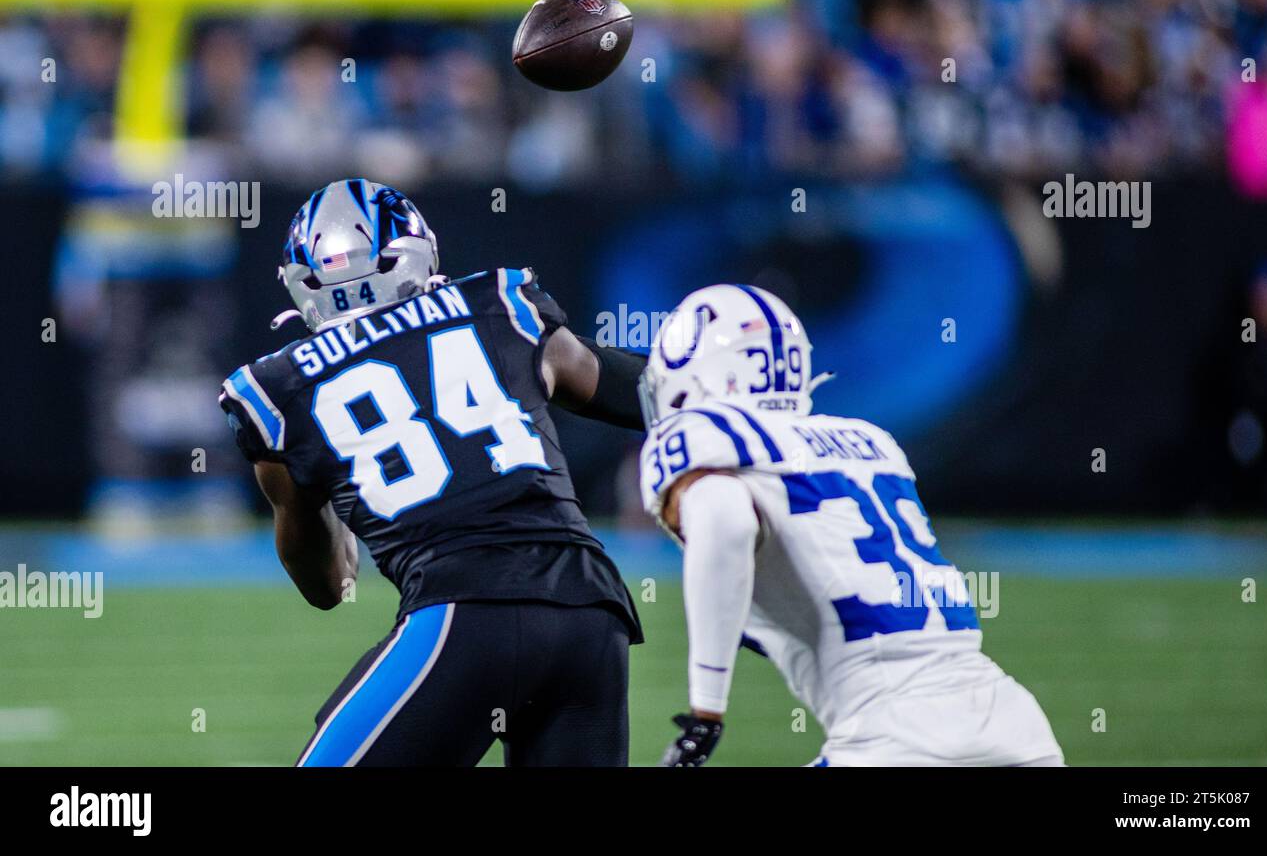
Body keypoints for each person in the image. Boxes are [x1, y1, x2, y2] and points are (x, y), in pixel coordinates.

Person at [219, 179, 645, 765]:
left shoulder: (279, 388)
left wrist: (326, 491)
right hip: (591, 610)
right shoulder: (498, 307)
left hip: (462, 613)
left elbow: (329, 587)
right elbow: (638, 390)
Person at [638, 284, 1063, 766]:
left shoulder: (708, 439)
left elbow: (725, 518)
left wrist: (705, 713)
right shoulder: (870, 442)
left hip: (893, 741)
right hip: (1015, 725)